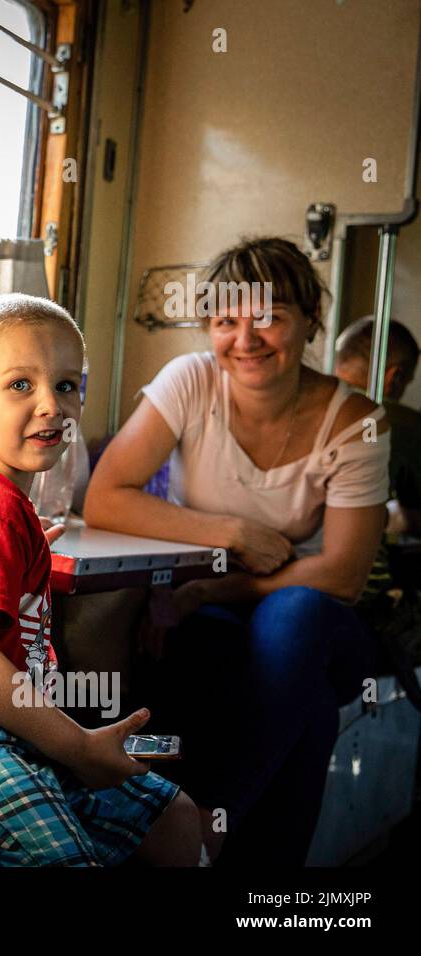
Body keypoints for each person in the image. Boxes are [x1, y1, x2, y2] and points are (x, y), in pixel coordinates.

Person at [0, 293, 203, 866]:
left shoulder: (1, 506)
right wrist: (77, 746)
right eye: (21, 385)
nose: (52, 404)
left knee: (174, 817)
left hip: (3, 733)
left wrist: (16, 565)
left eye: (67, 386)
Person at [84, 236, 389, 866]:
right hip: (222, 625)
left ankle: (203, 827)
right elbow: (106, 498)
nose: (245, 340)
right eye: (226, 320)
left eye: (269, 317)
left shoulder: (357, 419)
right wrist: (228, 532)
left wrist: (204, 589)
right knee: (304, 717)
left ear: (309, 318)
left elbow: (342, 575)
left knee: (295, 617)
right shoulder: (191, 381)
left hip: (322, 629)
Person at [334, 315, 421, 536]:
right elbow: (416, 518)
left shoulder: (304, 403)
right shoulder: (399, 420)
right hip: (361, 566)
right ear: (395, 376)